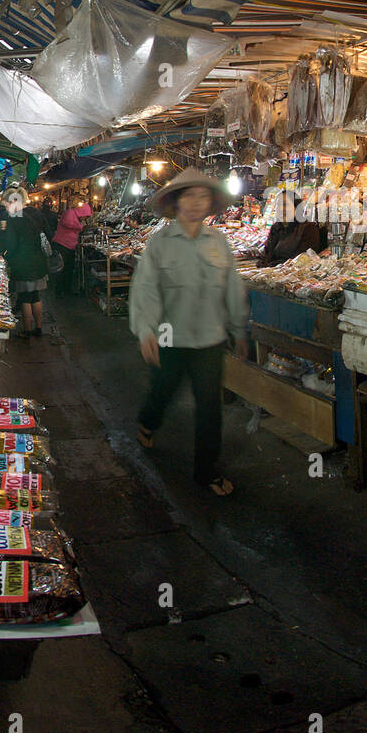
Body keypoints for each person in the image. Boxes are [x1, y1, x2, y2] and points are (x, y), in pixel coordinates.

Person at [130, 171, 249, 499]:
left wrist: (239, 330)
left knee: (210, 408)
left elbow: (233, 287)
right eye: (189, 195)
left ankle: (206, 471)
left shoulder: (218, 242)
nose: (196, 203)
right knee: (163, 389)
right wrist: (146, 330)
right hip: (169, 333)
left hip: (210, 337)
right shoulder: (160, 243)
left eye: (203, 196)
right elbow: (146, 289)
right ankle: (148, 422)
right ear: (176, 201)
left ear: (210, 203)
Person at [0, 201, 52, 336]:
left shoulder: (15, 219)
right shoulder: (37, 214)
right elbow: (49, 234)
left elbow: (11, 245)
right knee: (35, 296)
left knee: (24, 298)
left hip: (23, 263)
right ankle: (39, 328)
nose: (6, 209)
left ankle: (27, 330)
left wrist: (5, 257)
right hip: (38, 261)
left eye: (7, 205)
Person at [53, 194, 92, 295]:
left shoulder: (76, 216)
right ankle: (59, 291)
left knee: (69, 268)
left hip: (70, 246)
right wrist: (81, 226)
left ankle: (67, 290)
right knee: (61, 268)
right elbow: (68, 223)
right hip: (62, 245)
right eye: (85, 216)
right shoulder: (70, 213)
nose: (85, 218)